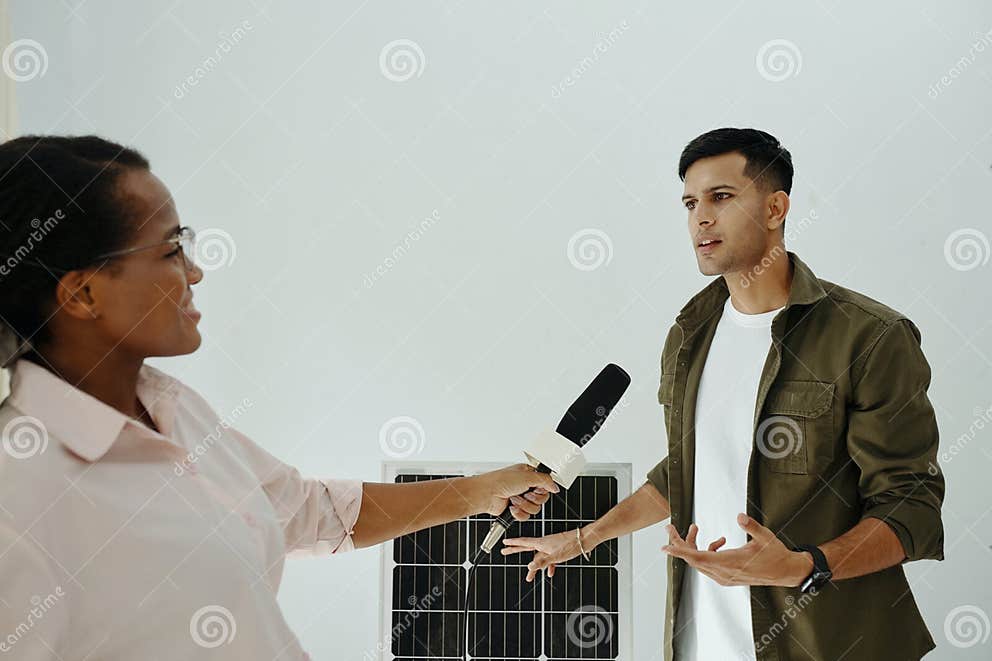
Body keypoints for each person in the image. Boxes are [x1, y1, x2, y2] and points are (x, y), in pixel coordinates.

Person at [0, 135, 559, 660]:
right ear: (82, 292)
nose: (195, 271)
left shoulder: (175, 409)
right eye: (171, 250)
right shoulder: (18, 496)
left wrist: (482, 493)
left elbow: (306, 512)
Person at [502, 128, 945, 660]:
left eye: (721, 197)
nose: (700, 219)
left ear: (776, 207)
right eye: (690, 203)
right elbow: (689, 468)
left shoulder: (868, 337)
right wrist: (581, 539)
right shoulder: (690, 332)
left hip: (827, 645)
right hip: (700, 643)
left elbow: (910, 505)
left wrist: (805, 565)